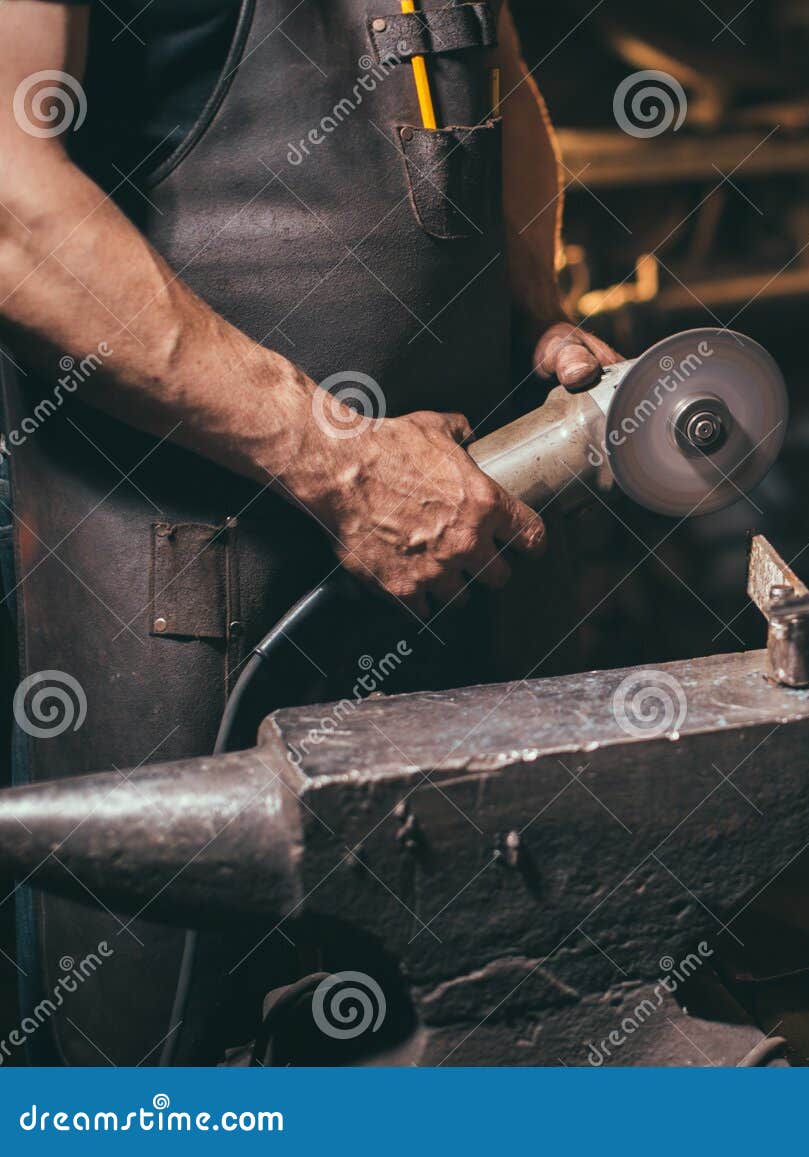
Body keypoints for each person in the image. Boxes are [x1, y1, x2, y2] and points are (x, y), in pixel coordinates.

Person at [0, 0, 619, 1063]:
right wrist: (331, 456)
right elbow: (10, 202)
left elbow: (486, 70)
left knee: (469, 1028)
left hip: (449, 560)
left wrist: (530, 301)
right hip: (181, 604)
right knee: (170, 1063)